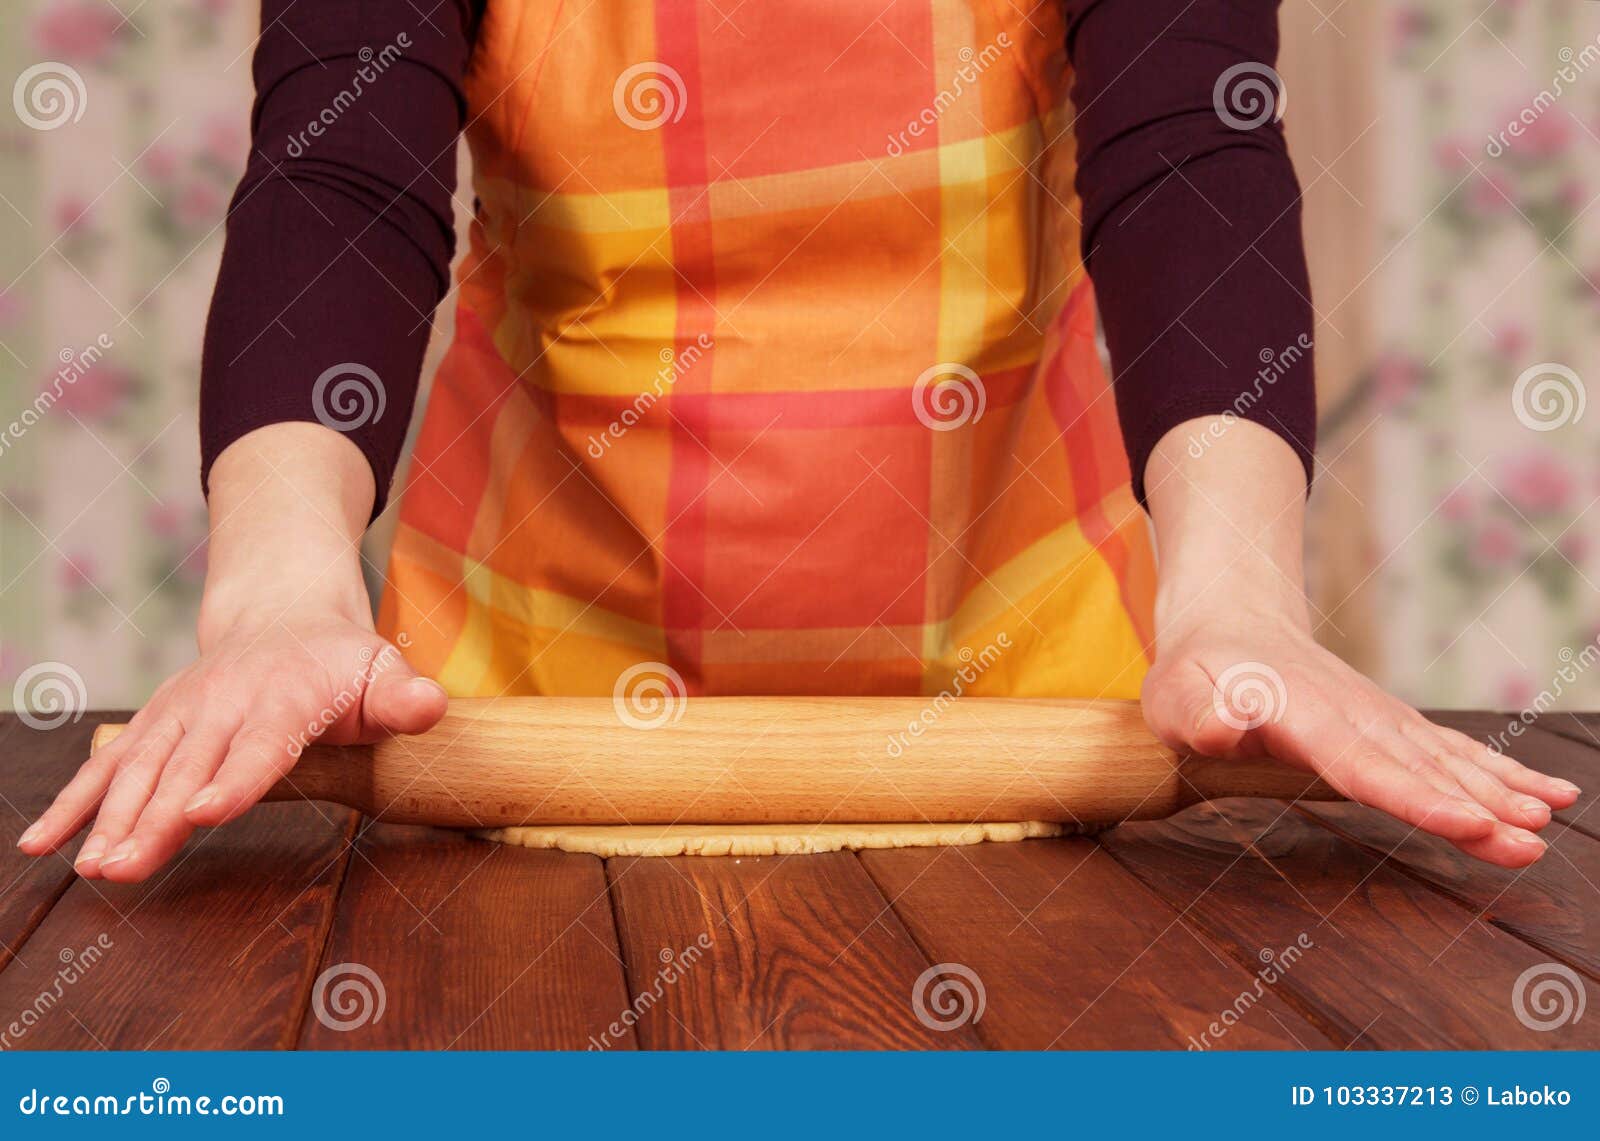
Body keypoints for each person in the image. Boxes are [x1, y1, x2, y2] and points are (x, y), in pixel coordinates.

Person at [17, 0, 1578, 881]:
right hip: (519, 716)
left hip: (1019, 697)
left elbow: (1192, 153)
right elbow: (339, 179)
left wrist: (1242, 602)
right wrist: (278, 596)